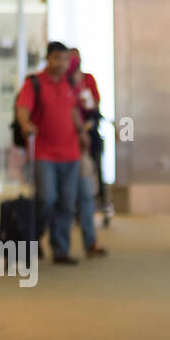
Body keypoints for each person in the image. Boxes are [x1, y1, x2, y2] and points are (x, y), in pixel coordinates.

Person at [16, 41, 85, 265]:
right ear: (47, 59)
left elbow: (73, 109)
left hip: (71, 153)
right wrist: (26, 125)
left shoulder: (68, 83)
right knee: (46, 199)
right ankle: (32, 240)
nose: (61, 63)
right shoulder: (34, 82)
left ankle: (60, 249)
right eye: (56, 58)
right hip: (44, 153)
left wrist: (81, 131)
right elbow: (23, 107)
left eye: (64, 59)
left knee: (66, 203)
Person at [67, 48, 107, 258]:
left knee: (86, 193)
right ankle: (59, 247)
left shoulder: (86, 82)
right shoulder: (62, 86)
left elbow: (94, 108)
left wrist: (86, 128)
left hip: (84, 145)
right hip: (63, 148)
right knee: (59, 199)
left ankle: (90, 242)